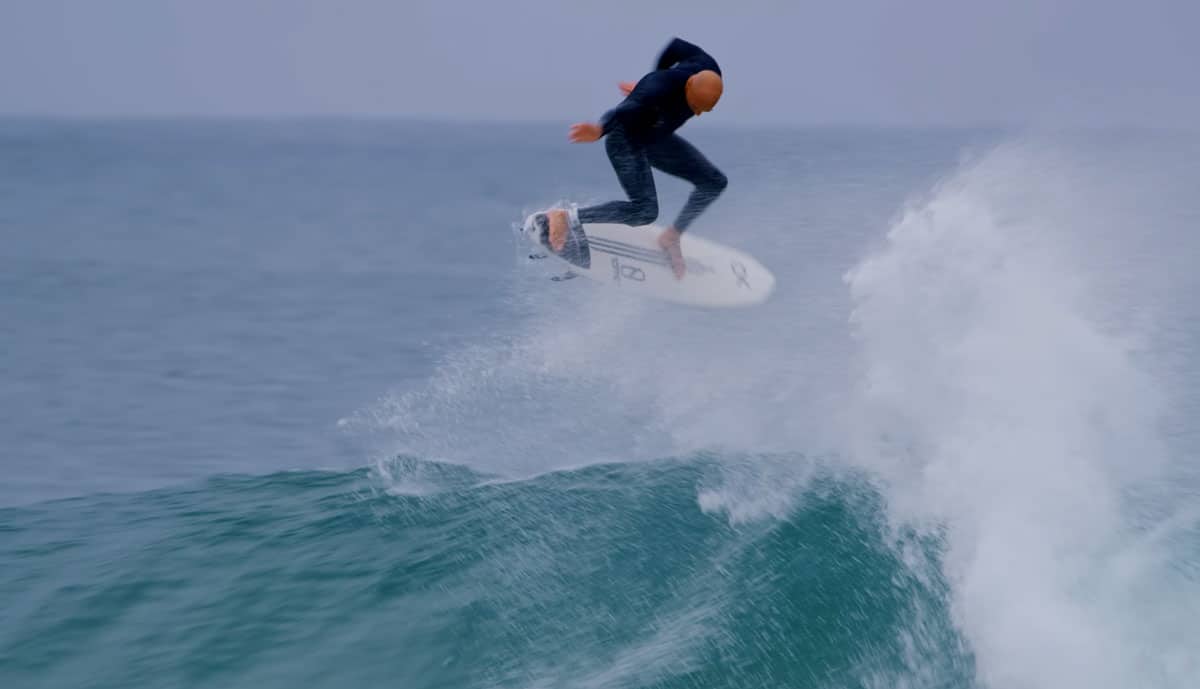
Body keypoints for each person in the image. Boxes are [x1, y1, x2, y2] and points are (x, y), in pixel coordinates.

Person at [540, 37, 727, 279]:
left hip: (656, 138)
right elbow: (621, 112)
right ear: (689, 85)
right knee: (645, 211)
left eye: (706, 109)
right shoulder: (655, 90)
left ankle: (671, 236)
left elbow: (676, 46)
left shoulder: (707, 66)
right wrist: (599, 130)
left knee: (714, 182)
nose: (698, 113)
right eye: (696, 105)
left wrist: (653, 73)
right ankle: (566, 218)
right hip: (625, 140)